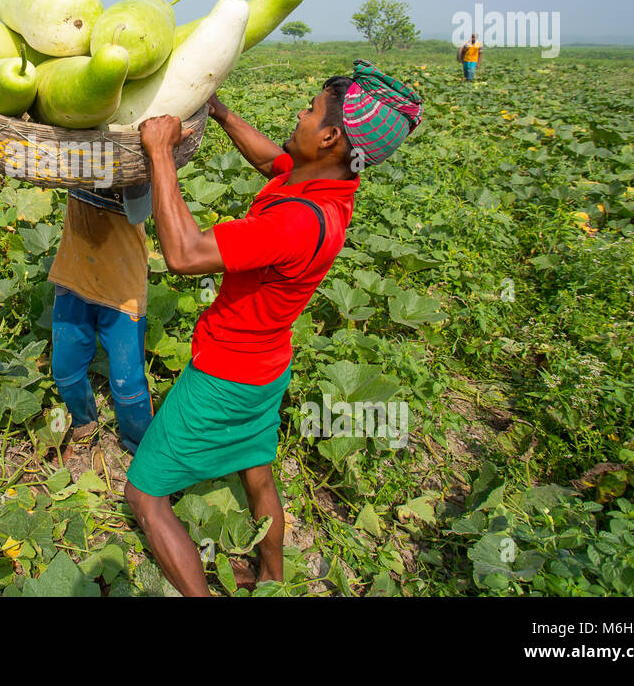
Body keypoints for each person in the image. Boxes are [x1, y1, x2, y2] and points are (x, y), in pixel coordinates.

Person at [125, 60, 423, 597]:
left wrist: (160, 153)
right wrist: (213, 108)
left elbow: (185, 255)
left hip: (225, 375)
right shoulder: (330, 184)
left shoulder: (295, 222)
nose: (300, 114)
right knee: (257, 473)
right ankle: (274, 581)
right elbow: (270, 160)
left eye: (310, 111)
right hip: (267, 367)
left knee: (144, 496)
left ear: (330, 136)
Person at [46, 183, 155, 453]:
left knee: (127, 384)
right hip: (74, 272)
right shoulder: (77, 155)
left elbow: (138, 212)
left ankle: (141, 448)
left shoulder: (139, 166)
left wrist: (126, 177)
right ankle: (84, 425)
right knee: (65, 370)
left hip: (122, 287)